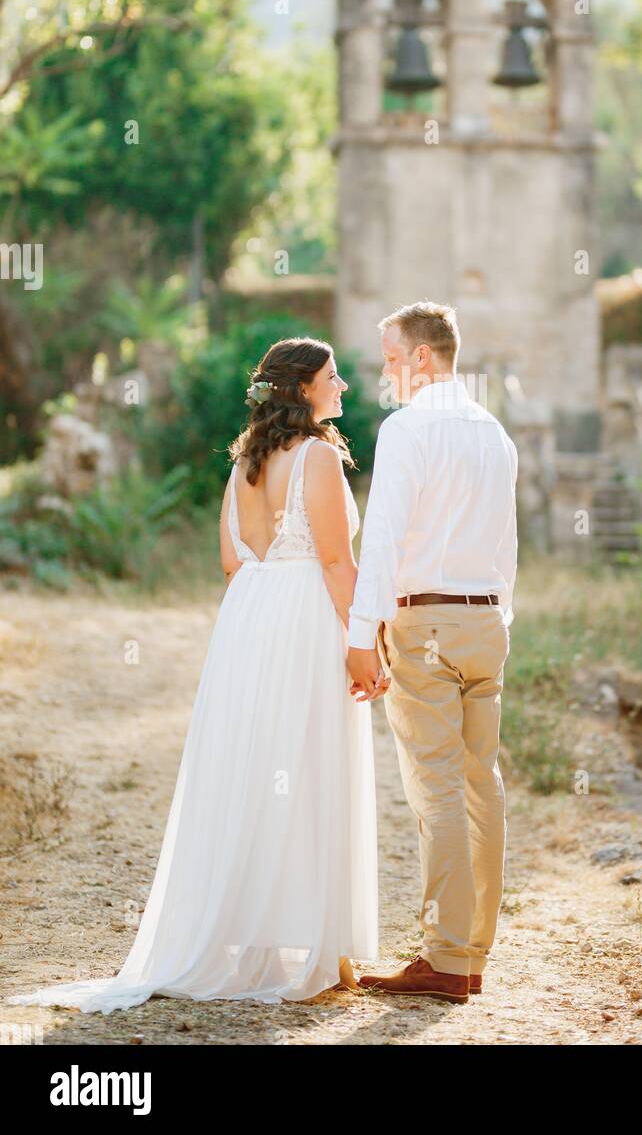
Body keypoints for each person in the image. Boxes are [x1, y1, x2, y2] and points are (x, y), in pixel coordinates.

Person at [6, 337, 379, 1014]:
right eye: (333, 377)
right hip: (302, 618)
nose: (344, 385)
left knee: (257, 770)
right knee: (309, 766)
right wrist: (364, 644)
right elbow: (335, 562)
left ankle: (264, 940)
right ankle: (320, 951)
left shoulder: (246, 462)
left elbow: (233, 562)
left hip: (249, 619)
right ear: (301, 389)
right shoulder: (320, 458)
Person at [346, 300, 518, 1005]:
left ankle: (445, 958)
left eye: (391, 355)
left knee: (437, 787)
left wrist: (363, 635)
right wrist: (502, 615)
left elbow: (382, 539)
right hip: (487, 623)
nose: (385, 369)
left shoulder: (407, 427)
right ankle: (471, 953)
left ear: (422, 356)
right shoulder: (494, 431)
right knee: (483, 783)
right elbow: (507, 539)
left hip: (428, 625)